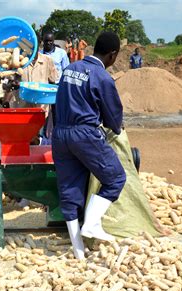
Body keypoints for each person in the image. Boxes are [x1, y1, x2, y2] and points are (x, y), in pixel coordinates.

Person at [52, 31, 127, 259]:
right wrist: (117, 128)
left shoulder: (69, 70)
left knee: (69, 190)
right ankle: (92, 224)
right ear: (113, 55)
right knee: (115, 178)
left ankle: (78, 251)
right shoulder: (102, 77)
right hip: (84, 135)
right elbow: (114, 118)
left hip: (60, 134)